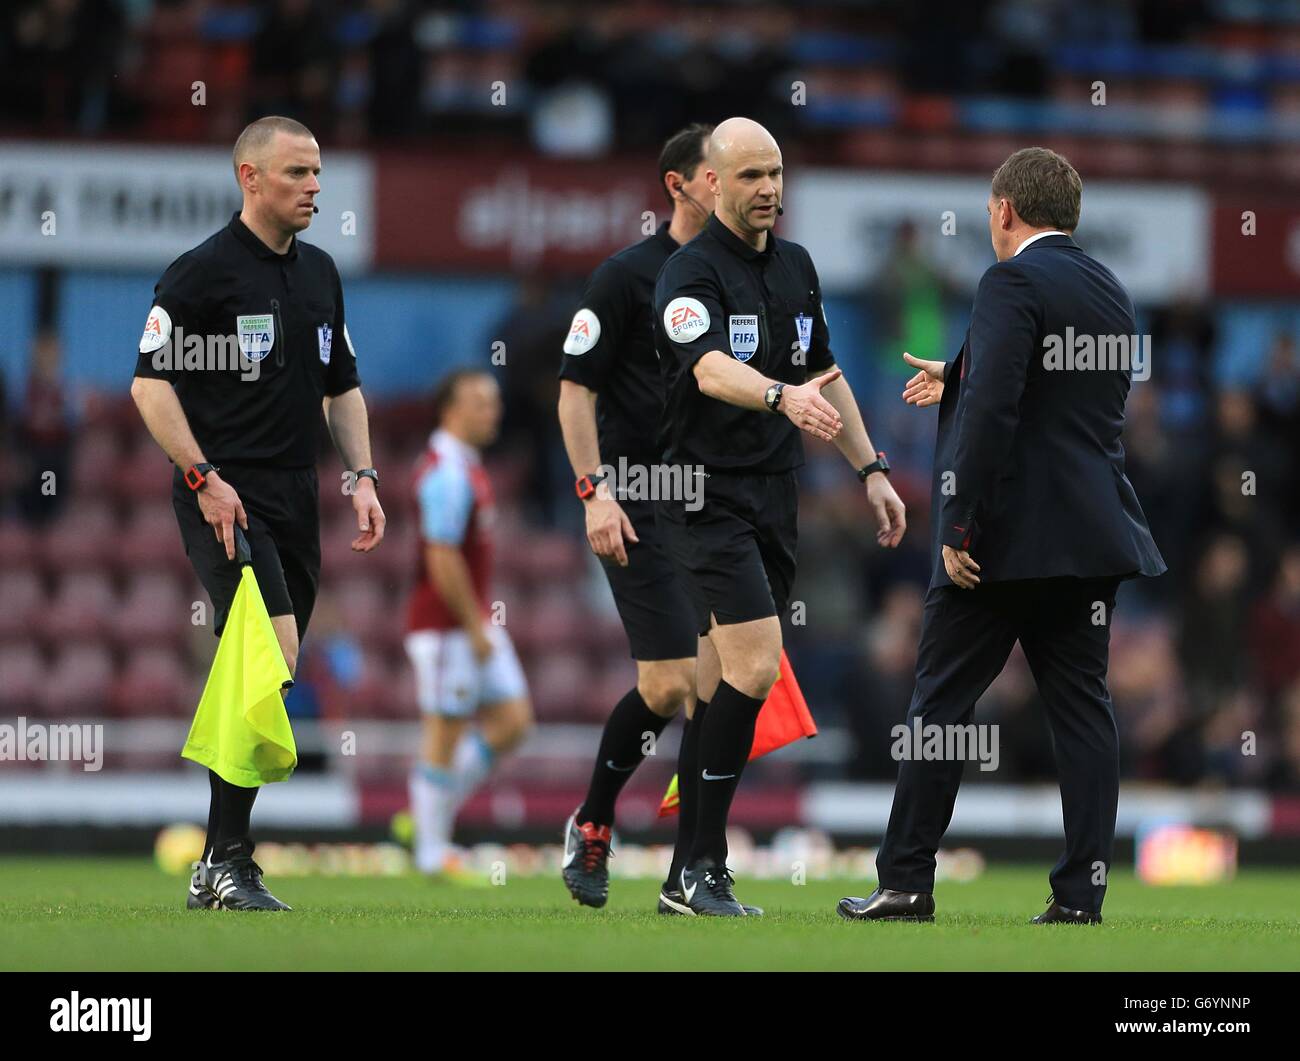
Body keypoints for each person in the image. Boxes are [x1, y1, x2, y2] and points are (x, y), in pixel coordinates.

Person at [839, 147, 1166, 925]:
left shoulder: (1008, 279)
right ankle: (1081, 895)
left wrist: (958, 518)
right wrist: (962, 373)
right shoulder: (1112, 291)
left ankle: (908, 880)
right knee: (1085, 713)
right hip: (1088, 539)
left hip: (1000, 541)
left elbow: (997, 414)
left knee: (940, 707)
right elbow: (1066, 397)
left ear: (1004, 211)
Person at [654, 117, 907, 915]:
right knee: (756, 667)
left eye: (776, 173)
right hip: (702, 494)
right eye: (750, 176)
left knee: (718, 684)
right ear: (711, 184)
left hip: (772, 493)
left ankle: (680, 877)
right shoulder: (687, 274)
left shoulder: (796, 266)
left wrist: (871, 469)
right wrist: (777, 393)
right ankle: (705, 865)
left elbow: (826, 375)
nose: (768, 188)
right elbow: (708, 369)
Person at [131, 116, 385, 911]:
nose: (315, 186)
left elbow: (340, 385)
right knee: (267, 651)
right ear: (250, 177)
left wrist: (364, 475)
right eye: (297, 173)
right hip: (225, 494)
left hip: (294, 494)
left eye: (317, 173)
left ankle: (218, 861)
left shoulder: (321, 273)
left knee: (263, 671)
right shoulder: (200, 274)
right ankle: (230, 857)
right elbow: (149, 385)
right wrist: (202, 475)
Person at [557, 123, 760, 914]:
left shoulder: (743, 276)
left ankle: (691, 871)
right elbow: (576, 388)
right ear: (680, 184)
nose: (737, 189)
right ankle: (596, 818)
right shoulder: (623, 277)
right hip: (637, 497)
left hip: (716, 502)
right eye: (721, 175)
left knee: (722, 682)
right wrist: (592, 490)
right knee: (674, 680)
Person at [404, 369, 533, 882]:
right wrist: (474, 627)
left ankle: (425, 820)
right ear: (450, 410)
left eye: (494, 401)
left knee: (514, 721)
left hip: (470, 622)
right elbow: (441, 558)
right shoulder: (446, 473)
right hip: (445, 627)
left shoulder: (465, 465)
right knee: (445, 731)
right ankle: (431, 850)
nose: (491, 412)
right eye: (479, 403)